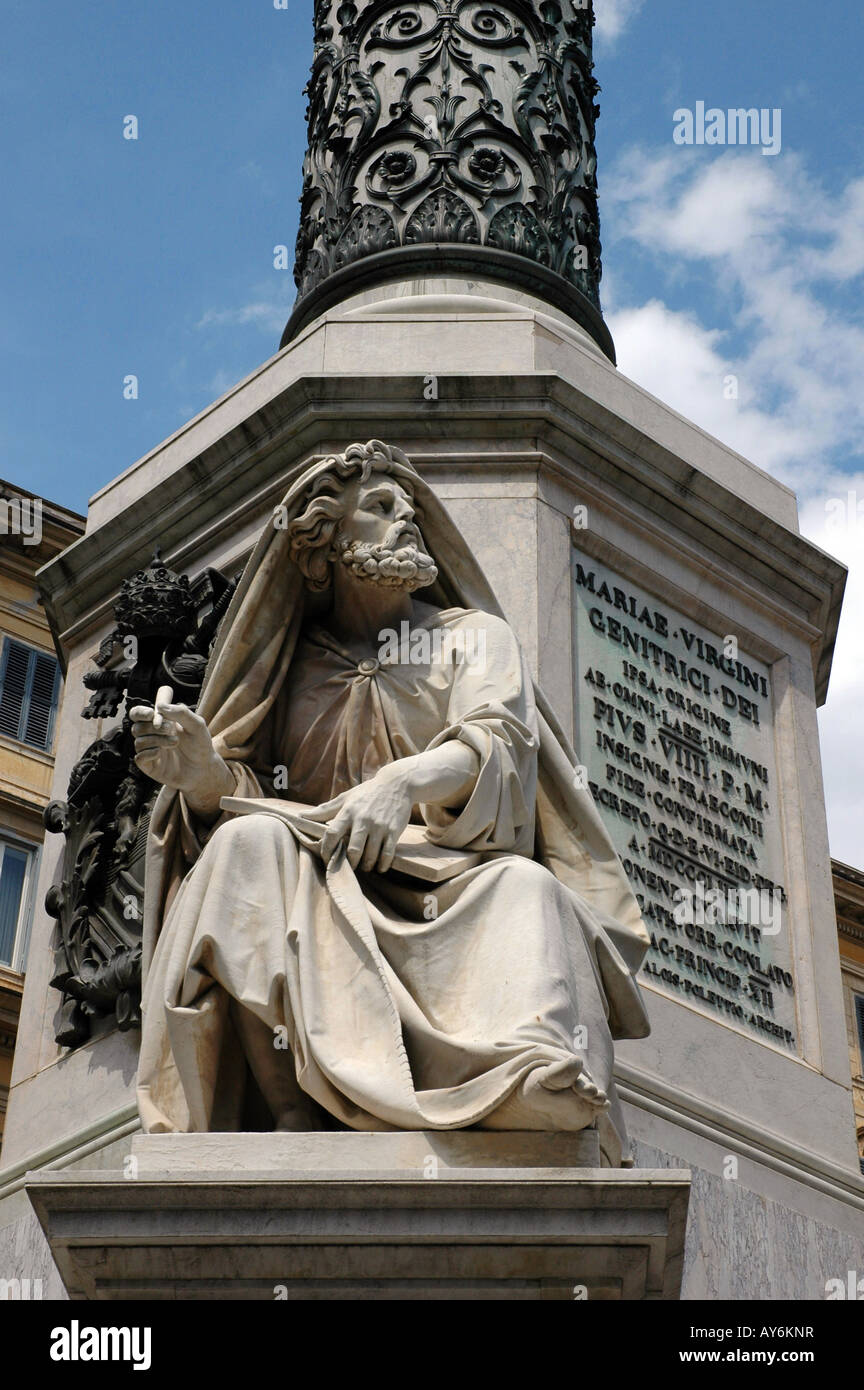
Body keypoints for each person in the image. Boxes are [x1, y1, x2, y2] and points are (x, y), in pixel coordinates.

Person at [134, 440, 650, 1162]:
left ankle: (524, 1072)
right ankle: (293, 1110)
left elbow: (496, 742)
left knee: (526, 886)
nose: (406, 520)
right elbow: (254, 799)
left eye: (410, 510)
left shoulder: (473, 638)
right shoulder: (291, 663)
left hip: (446, 870)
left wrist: (400, 783)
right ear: (322, 548)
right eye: (380, 509)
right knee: (244, 847)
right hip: (319, 865)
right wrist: (204, 776)